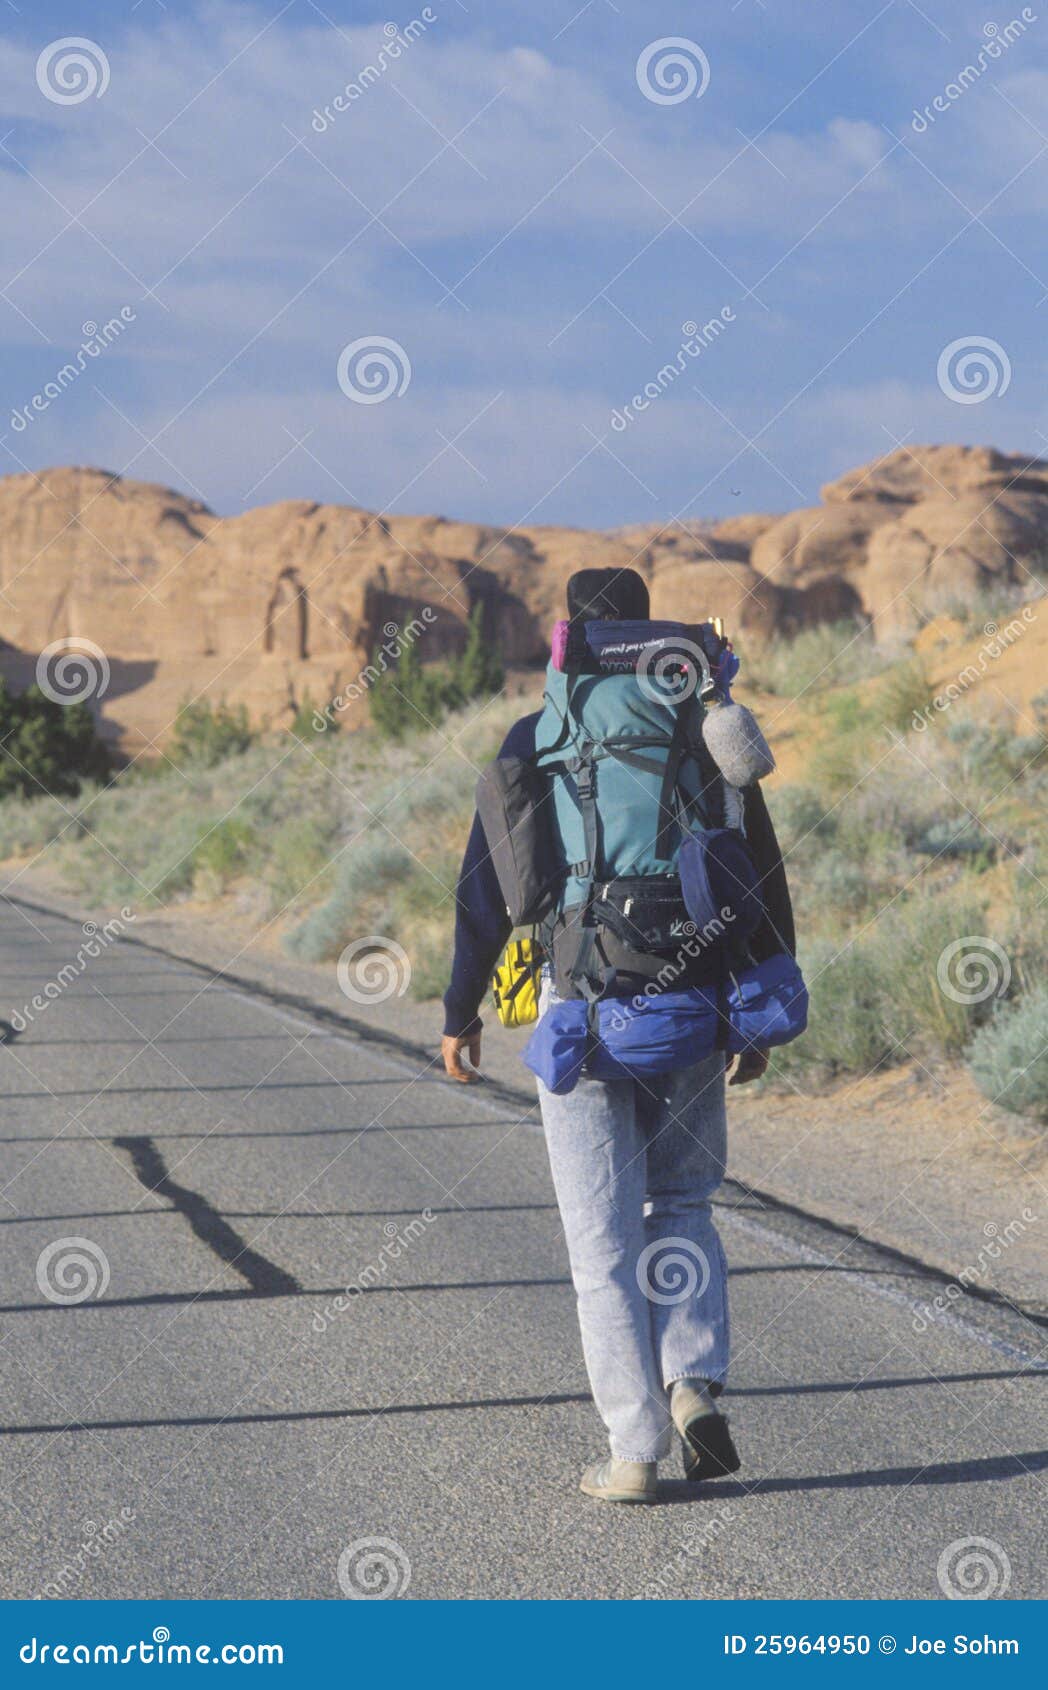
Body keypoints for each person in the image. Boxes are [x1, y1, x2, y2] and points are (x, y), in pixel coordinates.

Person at [441, 568, 795, 1504]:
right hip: (693, 1007)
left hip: (584, 1011)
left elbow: (486, 888)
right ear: (649, 626)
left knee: (599, 1244)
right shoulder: (703, 726)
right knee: (682, 1205)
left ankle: (632, 1453)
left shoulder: (541, 734)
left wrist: (459, 1009)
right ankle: (693, 1385)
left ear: (572, 634)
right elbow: (759, 870)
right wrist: (757, 1006)